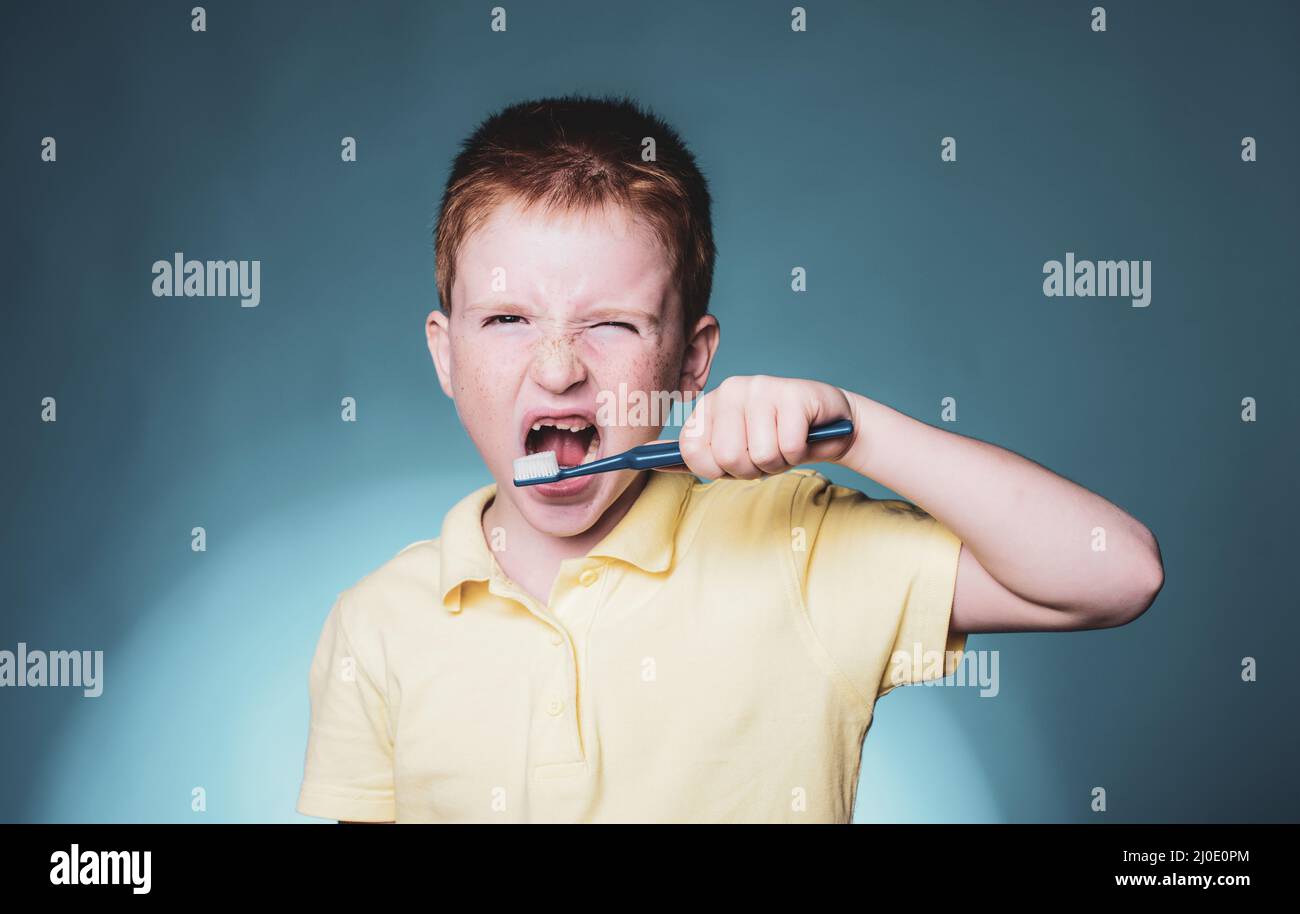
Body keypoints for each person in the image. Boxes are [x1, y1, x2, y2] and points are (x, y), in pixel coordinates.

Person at [296, 93, 1163, 824]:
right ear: (445, 353)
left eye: (614, 324)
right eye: (508, 319)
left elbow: (1117, 573)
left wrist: (857, 428)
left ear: (691, 361)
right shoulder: (376, 625)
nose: (558, 368)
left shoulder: (797, 549)